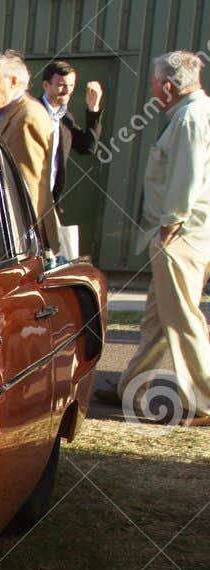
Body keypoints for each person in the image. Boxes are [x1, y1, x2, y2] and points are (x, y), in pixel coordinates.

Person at [104, 51, 210, 425]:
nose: (151, 91)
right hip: (190, 232)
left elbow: (188, 174)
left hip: (181, 234)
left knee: (182, 319)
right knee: (158, 317)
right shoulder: (195, 113)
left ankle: (206, 400)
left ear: (167, 86)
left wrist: (171, 223)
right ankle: (132, 384)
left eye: (152, 84)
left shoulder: (189, 118)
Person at [0, 52, 59, 248]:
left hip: (19, 238)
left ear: (13, 81)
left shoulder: (26, 118)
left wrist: (22, 248)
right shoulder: (11, 117)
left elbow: (28, 186)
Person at [40, 60, 105, 207]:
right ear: (46, 85)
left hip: (51, 201)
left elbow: (87, 147)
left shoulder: (65, 118)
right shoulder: (32, 112)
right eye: (62, 85)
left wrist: (93, 107)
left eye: (71, 86)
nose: (67, 91)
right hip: (27, 196)